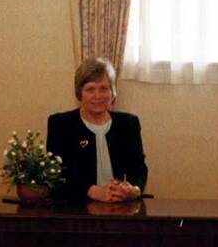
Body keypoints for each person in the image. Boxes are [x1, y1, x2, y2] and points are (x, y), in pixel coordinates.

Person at [47, 57, 147, 204]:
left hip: (122, 206)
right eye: (90, 89)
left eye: (104, 89)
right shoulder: (61, 124)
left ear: (112, 92)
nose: (98, 96)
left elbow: (139, 168)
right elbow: (57, 175)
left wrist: (133, 190)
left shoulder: (128, 124)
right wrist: (95, 192)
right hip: (77, 208)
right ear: (79, 93)